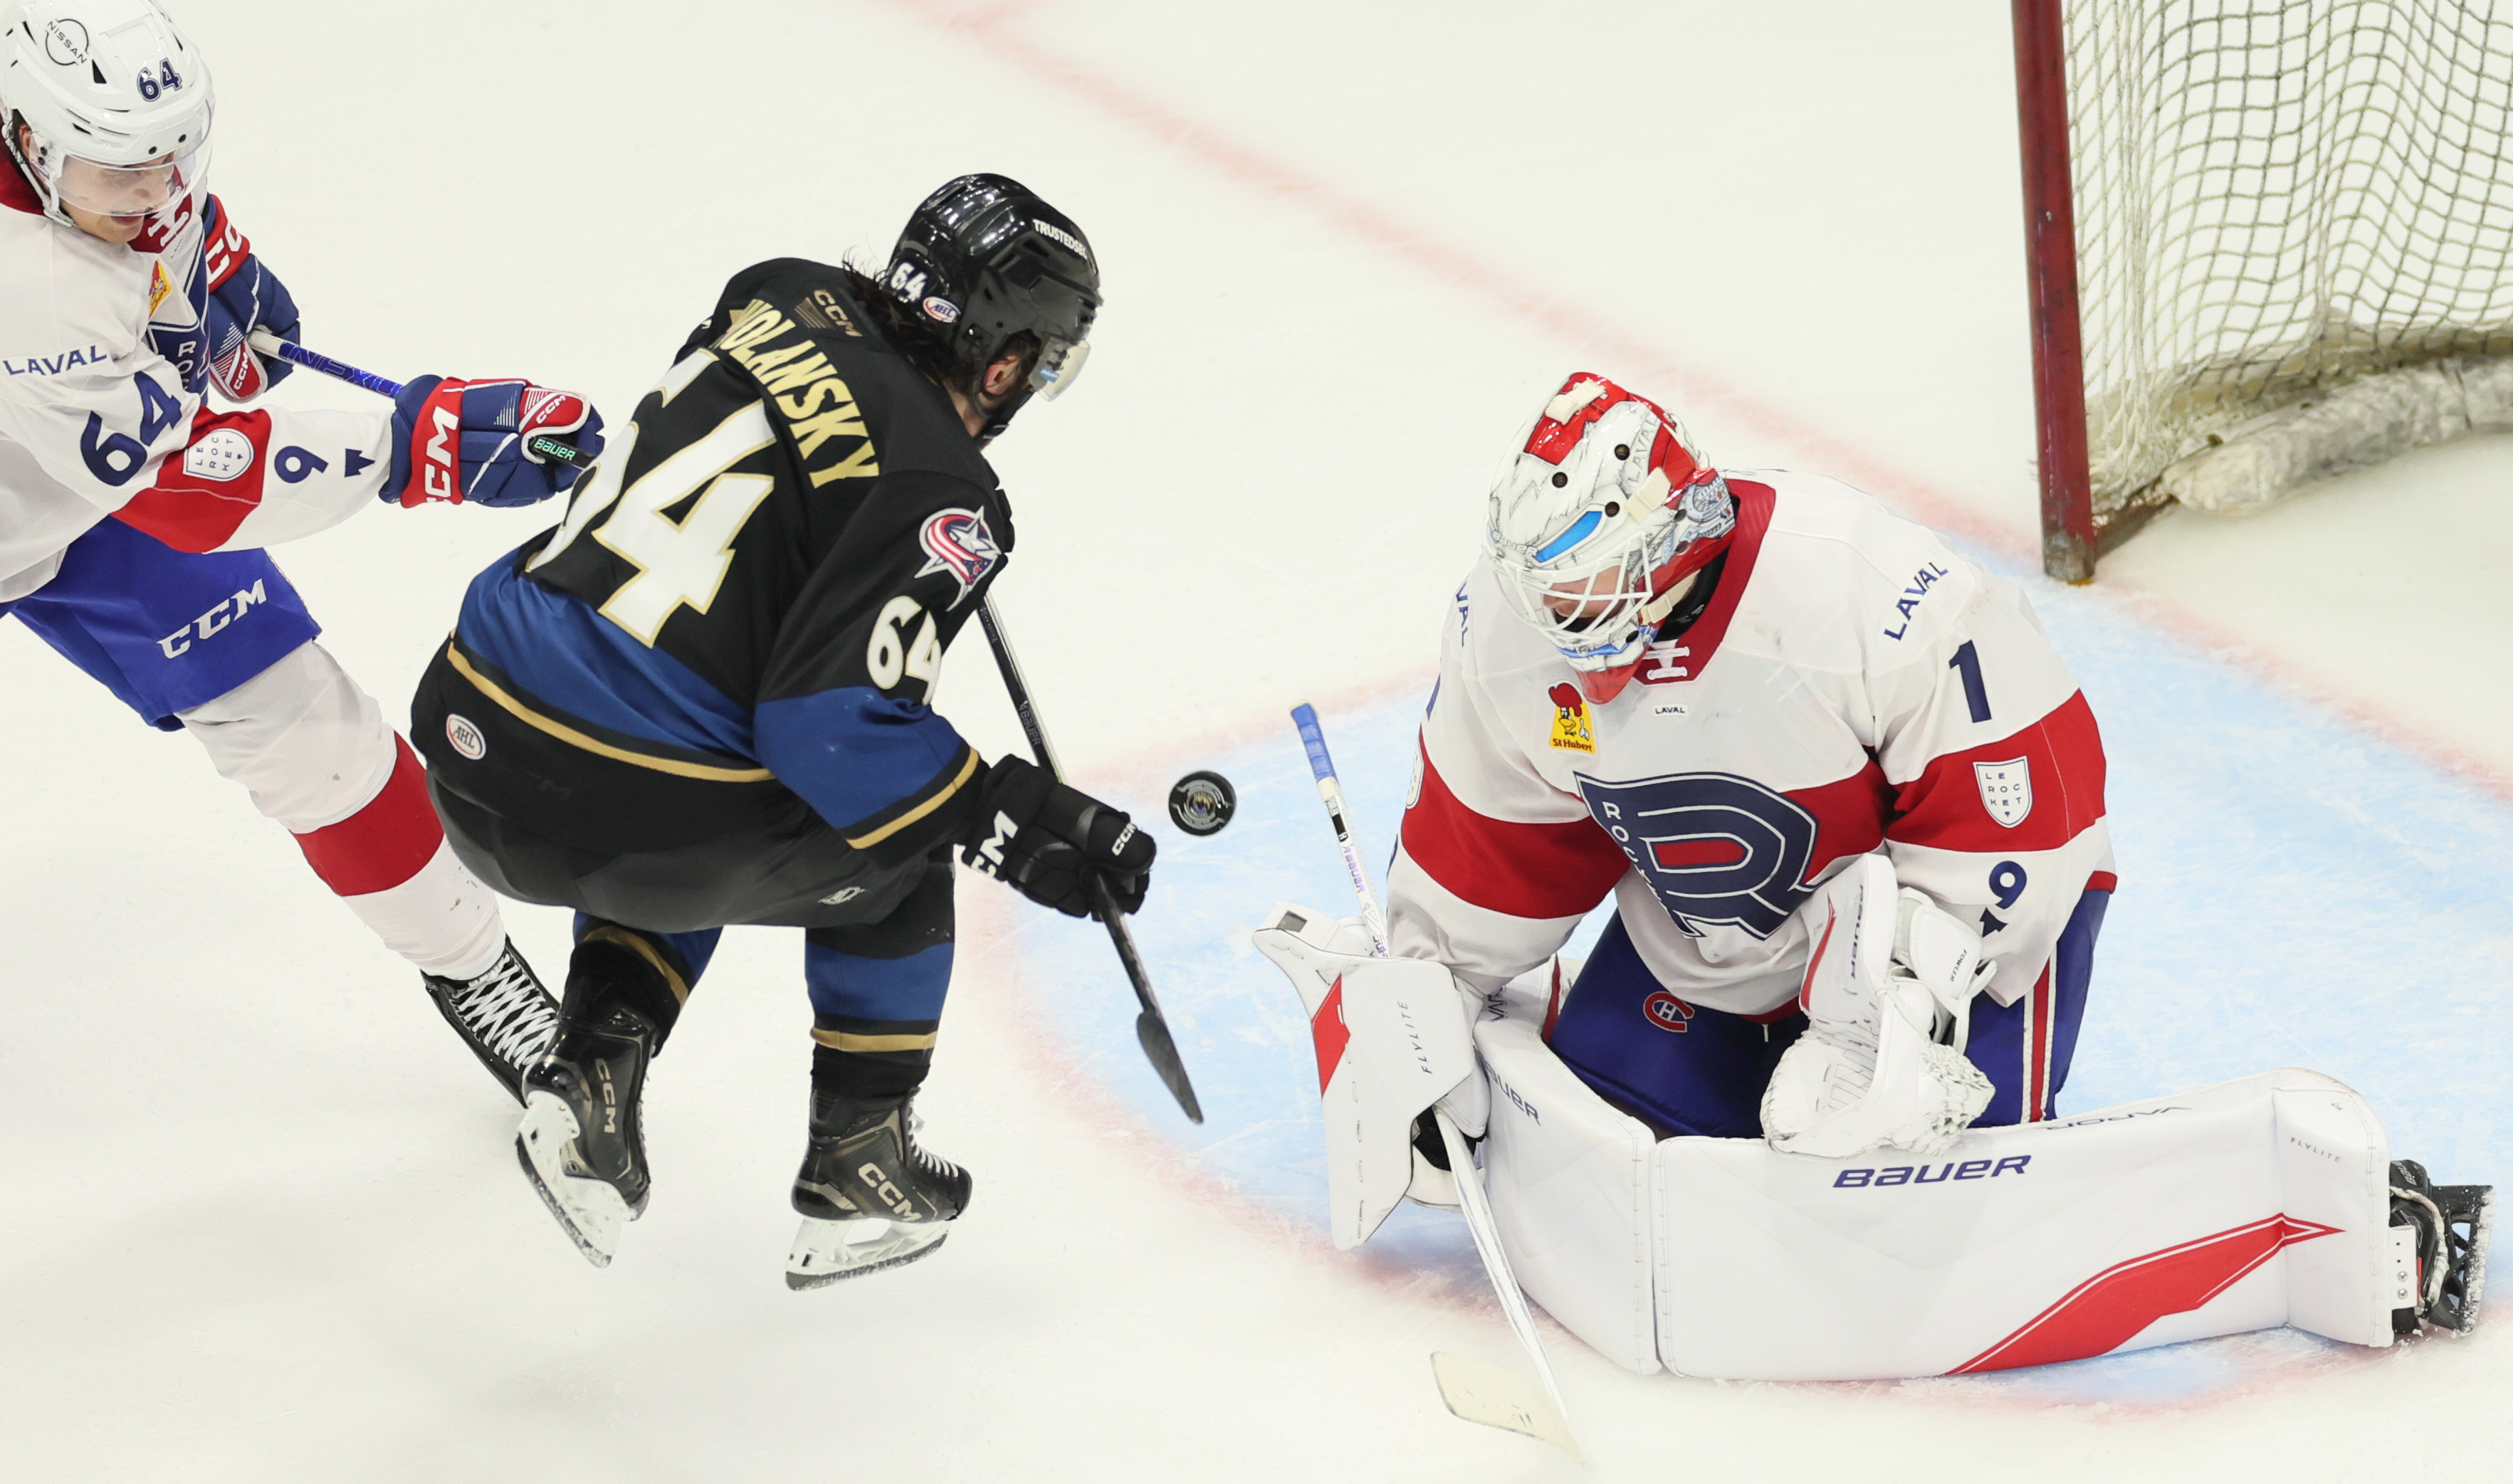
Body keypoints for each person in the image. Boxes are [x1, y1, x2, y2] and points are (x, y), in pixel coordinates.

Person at [411, 174, 1155, 1284]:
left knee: (701, 744)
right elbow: (831, 736)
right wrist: (1005, 813)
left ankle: (590, 1077)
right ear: (1001, 360)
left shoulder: (775, 293)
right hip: (624, 811)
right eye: (1038, 366)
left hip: (469, 728)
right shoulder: (941, 489)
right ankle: (859, 1166)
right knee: (896, 831)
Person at [0, 0, 599, 1096]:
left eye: (171, 161)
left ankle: (473, 966)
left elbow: (179, 266)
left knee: (304, 728)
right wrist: (417, 446)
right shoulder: (29, 284)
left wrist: (212, 279)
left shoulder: (100, 170)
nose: (156, 196)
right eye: (122, 174)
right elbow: (185, 489)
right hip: (94, 478)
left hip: (71, 494)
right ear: (29, 144)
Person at [1387, 371, 2114, 1158]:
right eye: (1542, 585)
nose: (1554, 615)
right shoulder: (1505, 635)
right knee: (1597, 1152)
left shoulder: (1861, 584)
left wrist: (1893, 1012)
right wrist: (1432, 996)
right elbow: (1489, 842)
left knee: (1924, 1172)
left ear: (1669, 540)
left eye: (1582, 578)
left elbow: (2028, 810)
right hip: (1711, 938)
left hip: (1959, 938)